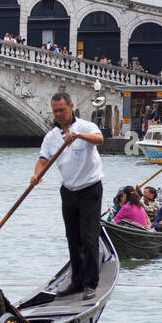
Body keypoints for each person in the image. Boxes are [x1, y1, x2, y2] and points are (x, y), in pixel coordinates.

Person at [30, 92, 105, 301]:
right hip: (69, 190)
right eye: (55, 111)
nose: (58, 114)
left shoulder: (85, 127)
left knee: (89, 238)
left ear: (71, 106)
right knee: (73, 238)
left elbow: (100, 139)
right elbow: (44, 159)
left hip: (90, 189)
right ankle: (77, 281)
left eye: (62, 110)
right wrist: (36, 175)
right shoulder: (51, 137)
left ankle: (91, 284)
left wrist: (79, 136)